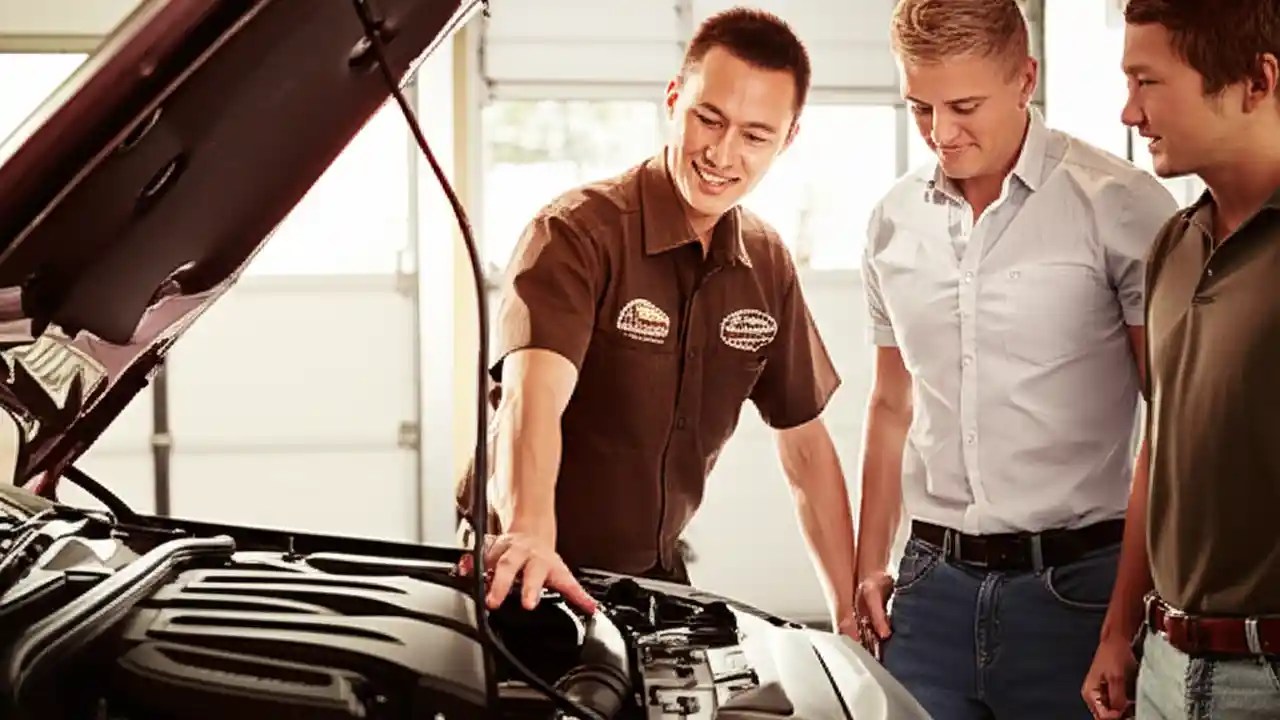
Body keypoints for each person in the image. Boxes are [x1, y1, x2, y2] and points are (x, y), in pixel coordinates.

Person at [454, 7, 859, 635]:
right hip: (526, 564)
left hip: (651, 573)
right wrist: (531, 530)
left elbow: (806, 448)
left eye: (756, 136)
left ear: (788, 139)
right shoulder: (574, 234)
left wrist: (847, 612)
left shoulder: (767, 264)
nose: (723, 153)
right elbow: (532, 401)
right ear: (674, 99)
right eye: (708, 119)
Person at [852, 0, 1179, 717]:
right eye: (919, 108)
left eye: (964, 106)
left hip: (1078, 594)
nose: (941, 133)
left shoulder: (1122, 205)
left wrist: (1124, 623)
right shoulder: (890, 222)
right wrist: (868, 564)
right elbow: (890, 404)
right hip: (928, 593)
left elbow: (1170, 422)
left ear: (1025, 79)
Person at [1081, 2, 1280, 718]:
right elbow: (1157, 449)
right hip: (1164, 666)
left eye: (1149, 81)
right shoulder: (1173, 243)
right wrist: (1117, 633)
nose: (1130, 112)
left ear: (1256, 82)